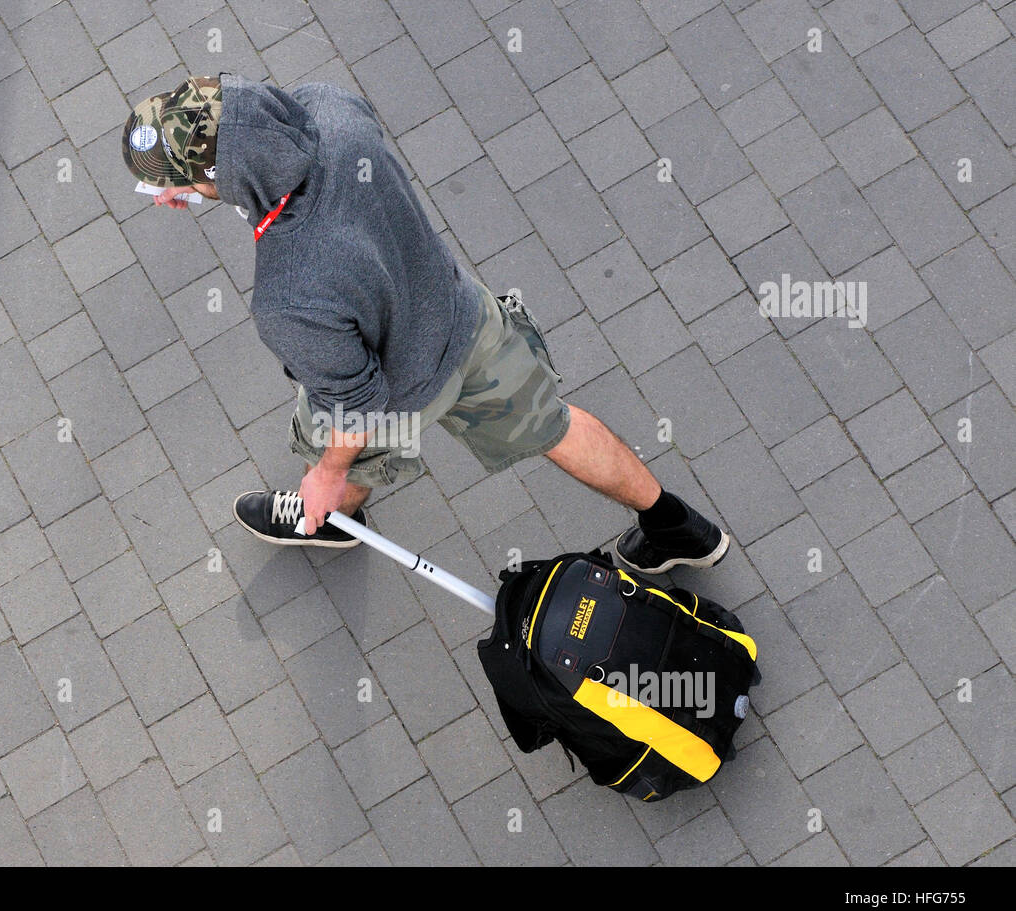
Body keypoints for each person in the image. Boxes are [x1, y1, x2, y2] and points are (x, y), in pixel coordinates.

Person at [121, 74, 729, 575]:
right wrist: (222, 187)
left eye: (175, 181)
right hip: (463, 317)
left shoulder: (287, 297)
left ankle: (335, 517)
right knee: (557, 426)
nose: (166, 195)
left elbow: (358, 401)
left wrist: (330, 473)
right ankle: (675, 525)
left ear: (215, 178)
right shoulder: (331, 111)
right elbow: (289, 178)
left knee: (340, 455)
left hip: (400, 391)